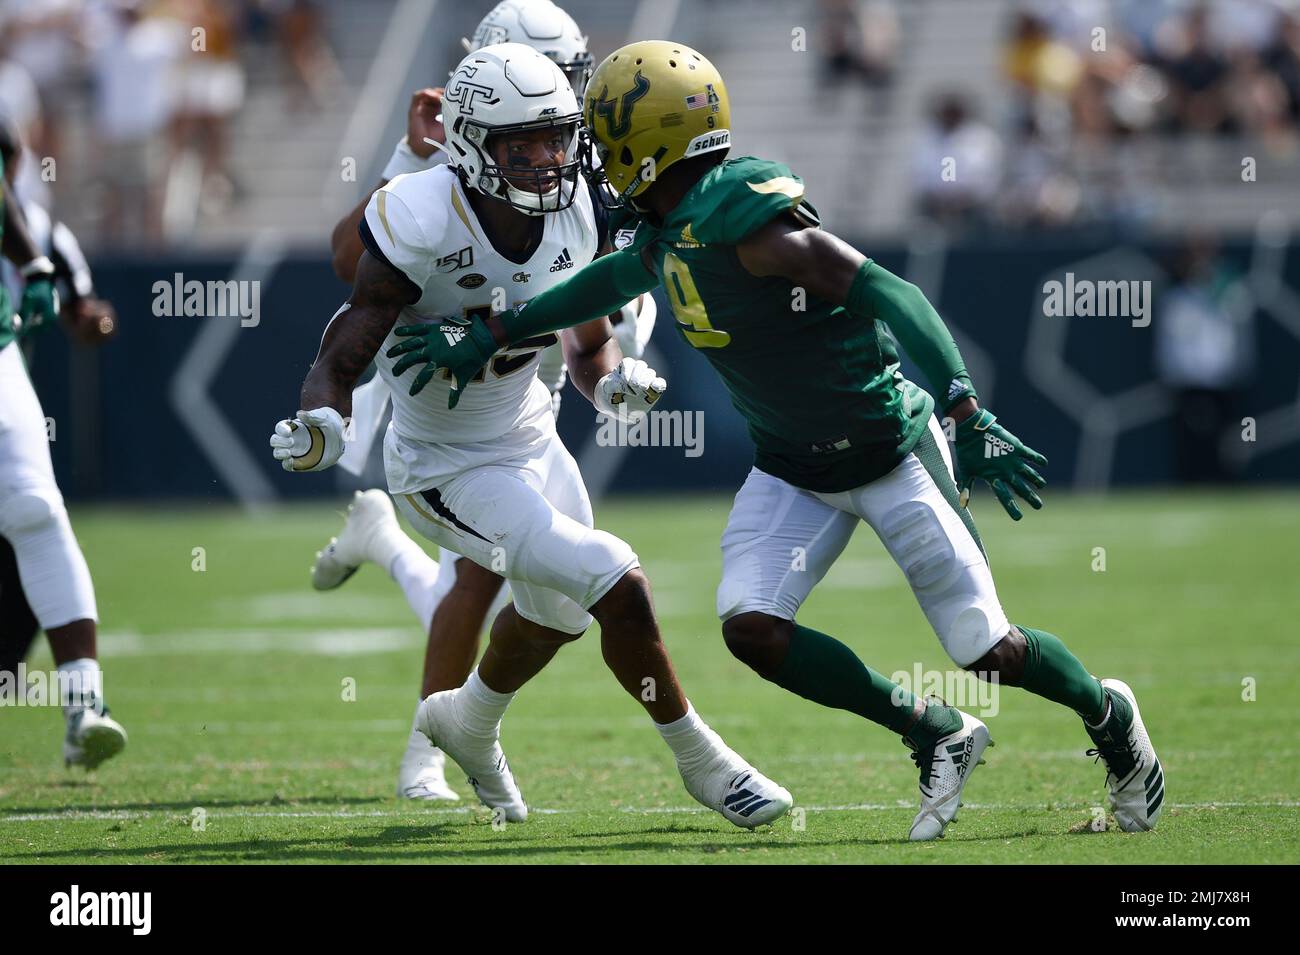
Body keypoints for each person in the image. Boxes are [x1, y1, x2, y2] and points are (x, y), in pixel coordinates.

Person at [388, 40, 1166, 838]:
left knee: (982, 648)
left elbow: (891, 290)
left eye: (609, 142)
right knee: (752, 627)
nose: (598, 165)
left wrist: (965, 410)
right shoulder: (669, 230)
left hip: (890, 450)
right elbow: (606, 284)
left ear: (645, 145)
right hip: (793, 467)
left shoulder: (748, 222)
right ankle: (936, 731)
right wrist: (500, 332)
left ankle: (1110, 717)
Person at [272, 43, 791, 829]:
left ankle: (466, 722)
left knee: (559, 615)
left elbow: (585, 344)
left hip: (530, 441)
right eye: (524, 143)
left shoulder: (577, 208)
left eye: (556, 137)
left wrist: (610, 379)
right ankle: (704, 763)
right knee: (618, 578)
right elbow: (347, 341)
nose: (549, 159)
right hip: (442, 465)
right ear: (474, 143)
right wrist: (322, 419)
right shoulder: (421, 213)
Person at [317, 0, 656, 803]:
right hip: (461, 395)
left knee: (515, 574)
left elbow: (602, 284)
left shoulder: (570, 160)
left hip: (536, 377)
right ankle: (426, 751)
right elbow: (348, 260)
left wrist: (616, 338)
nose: (550, 135)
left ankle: (386, 550)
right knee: (483, 573)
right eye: (529, 123)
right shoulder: (461, 155)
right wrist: (408, 158)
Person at [0, 119, 125, 771]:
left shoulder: (40, 221)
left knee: (35, 511)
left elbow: (85, 309)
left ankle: (84, 705)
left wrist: (38, 266)